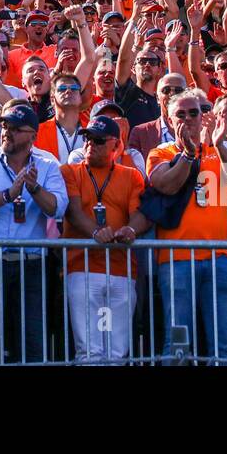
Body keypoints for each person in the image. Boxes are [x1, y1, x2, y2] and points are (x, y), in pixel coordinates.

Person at [0, 102, 67, 364]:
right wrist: (9, 195)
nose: (7, 132)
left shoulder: (47, 164)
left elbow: (57, 208)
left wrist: (33, 189)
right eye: (5, 126)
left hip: (31, 264)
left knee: (33, 340)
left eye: (16, 128)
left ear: (33, 135)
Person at [144, 89, 227, 363]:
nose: (187, 118)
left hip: (219, 257)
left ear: (203, 116)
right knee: (177, 345)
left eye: (193, 112)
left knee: (224, 347)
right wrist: (187, 154)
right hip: (177, 258)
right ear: (170, 120)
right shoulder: (161, 152)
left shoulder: (217, 151)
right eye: (180, 114)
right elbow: (165, 184)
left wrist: (218, 145)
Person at [60, 116, 150, 361]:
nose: (91, 145)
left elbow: (141, 214)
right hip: (82, 268)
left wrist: (130, 230)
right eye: (87, 139)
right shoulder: (69, 171)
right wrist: (96, 232)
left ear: (115, 146)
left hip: (120, 270)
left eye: (98, 141)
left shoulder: (131, 176)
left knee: (117, 351)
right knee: (89, 350)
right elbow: (74, 212)